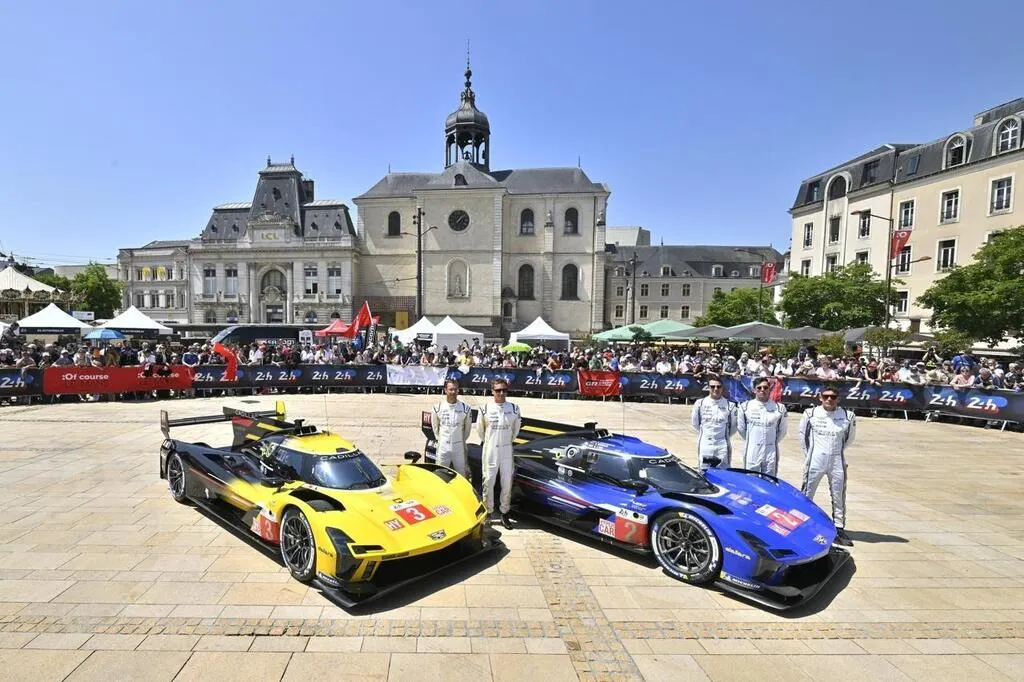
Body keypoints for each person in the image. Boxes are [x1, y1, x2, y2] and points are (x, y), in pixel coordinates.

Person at [799, 385, 856, 547]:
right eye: (825, 396)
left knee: (839, 494)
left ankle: (839, 526)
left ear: (838, 399)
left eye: (833, 397)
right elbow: (803, 437)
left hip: (837, 458)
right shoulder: (810, 413)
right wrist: (810, 456)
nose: (829, 399)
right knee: (807, 493)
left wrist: (838, 452)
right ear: (820, 398)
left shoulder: (848, 415)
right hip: (816, 458)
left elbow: (849, 438)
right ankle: (802, 523)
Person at [477, 378, 521, 529]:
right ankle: (488, 512)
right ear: (492, 391)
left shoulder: (514, 409)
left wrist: (506, 442)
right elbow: (480, 431)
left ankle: (504, 513)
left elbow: (515, 431)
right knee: (488, 481)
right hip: (491, 449)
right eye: (498, 390)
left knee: (507, 483)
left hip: (507, 449)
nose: (501, 393)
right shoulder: (485, 409)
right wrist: (490, 442)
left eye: (504, 390)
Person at [737, 377, 788, 476]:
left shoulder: (779, 408)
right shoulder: (745, 407)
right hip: (752, 449)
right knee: (751, 479)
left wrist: (771, 442)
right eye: (759, 388)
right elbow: (741, 429)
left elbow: (782, 430)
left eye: (765, 387)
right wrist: (752, 440)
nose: (762, 390)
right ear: (754, 390)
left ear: (769, 389)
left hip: (771, 450)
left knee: (769, 479)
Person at [691, 376, 737, 470]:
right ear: (708, 387)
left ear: (722, 388)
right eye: (712, 386)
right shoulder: (700, 403)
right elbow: (695, 423)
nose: (716, 389)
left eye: (718, 386)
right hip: (705, 443)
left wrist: (724, 436)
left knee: (724, 470)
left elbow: (733, 427)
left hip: (722, 444)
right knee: (704, 470)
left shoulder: (730, 405)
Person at [430, 378, 473, 479]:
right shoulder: (437, 408)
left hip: (459, 447)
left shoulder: (465, 408)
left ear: (458, 390)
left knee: (462, 475)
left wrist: (460, 440)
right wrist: (441, 440)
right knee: (440, 474)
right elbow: (435, 427)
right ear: (445, 390)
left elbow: (467, 430)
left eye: (455, 389)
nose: (453, 392)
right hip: (443, 446)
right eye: (450, 389)